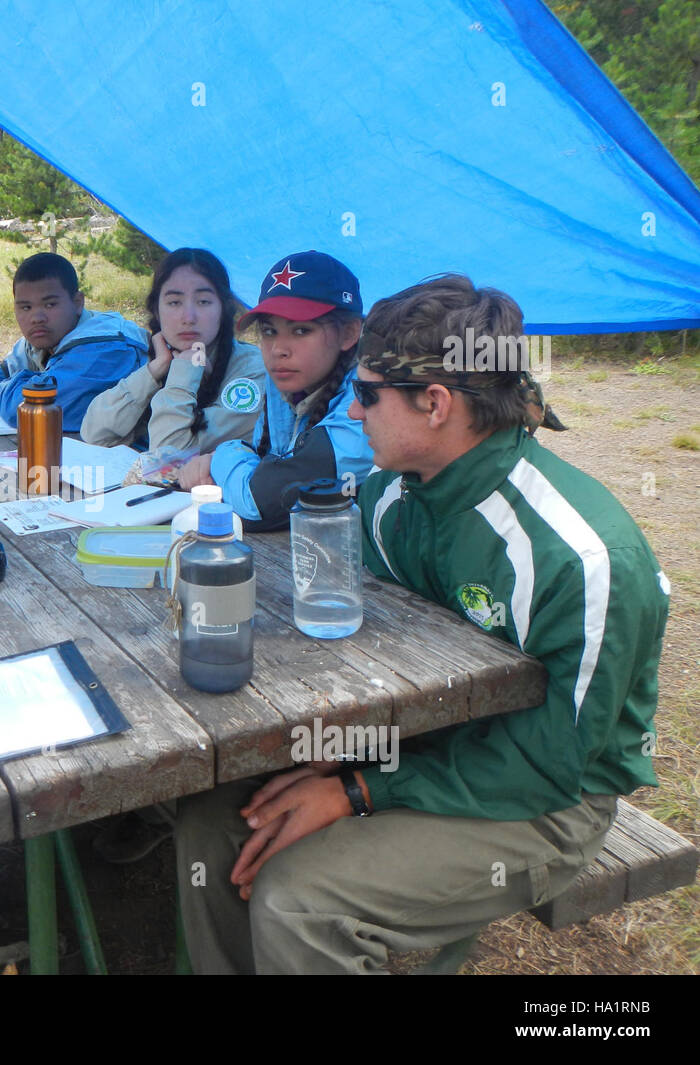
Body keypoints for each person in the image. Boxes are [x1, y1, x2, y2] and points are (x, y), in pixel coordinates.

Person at [174, 275, 669, 974]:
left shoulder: (578, 559)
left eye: (368, 393)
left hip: (547, 799)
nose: (351, 407)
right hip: (419, 746)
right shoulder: (390, 498)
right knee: (215, 823)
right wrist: (344, 754)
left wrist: (358, 787)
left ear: (435, 404)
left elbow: (555, 761)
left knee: (300, 899)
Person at [177, 250, 373, 529]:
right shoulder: (291, 386)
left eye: (301, 331)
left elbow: (260, 503)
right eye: (269, 331)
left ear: (350, 333)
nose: (279, 349)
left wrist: (221, 455)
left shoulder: (368, 404)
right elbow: (264, 467)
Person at [80, 248, 266, 452]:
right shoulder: (163, 358)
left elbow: (168, 457)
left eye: (203, 301)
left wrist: (183, 376)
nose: (188, 317)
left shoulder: (252, 371)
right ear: (157, 311)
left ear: (224, 309)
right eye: (174, 302)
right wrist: (154, 371)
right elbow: (94, 434)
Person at [0, 252, 148, 432]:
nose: (36, 318)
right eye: (26, 307)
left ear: (78, 303)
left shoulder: (108, 348)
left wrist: (22, 386)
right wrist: (30, 384)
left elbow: (30, 410)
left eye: (50, 305)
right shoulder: (38, 341)